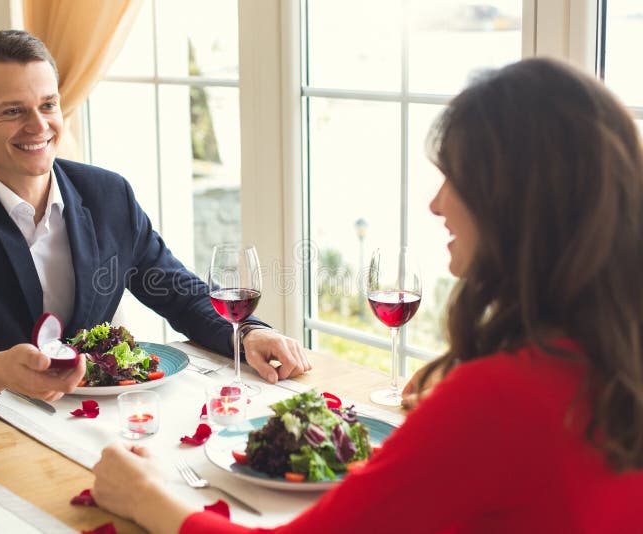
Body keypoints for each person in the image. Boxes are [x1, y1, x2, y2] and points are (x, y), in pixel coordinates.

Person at [90, 57, 643, 532]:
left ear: (519, 204)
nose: (437, 204)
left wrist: (146, 498)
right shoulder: (610, 363)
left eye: (455, 179)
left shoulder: (499, 397)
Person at [0, 30, 309, 415]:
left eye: (48, 104)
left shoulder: (108, 195)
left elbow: (179, 293)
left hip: (94, 420)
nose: (39, 126)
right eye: (13, 111)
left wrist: (247, 334)